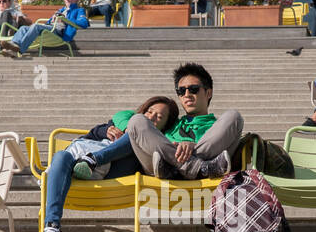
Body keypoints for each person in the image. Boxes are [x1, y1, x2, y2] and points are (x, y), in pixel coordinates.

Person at [38, 95, 179, 232]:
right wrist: (106, 130)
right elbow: (91, 134)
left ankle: (93, 159)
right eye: (150, 112)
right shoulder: (119, 123)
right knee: (60, 155)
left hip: (109, 171)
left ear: (165, 126)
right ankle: (52, 229)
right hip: (74, 161)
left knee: (133, 135)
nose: (151, 117)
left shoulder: (151, 140)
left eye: (159, 117)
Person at [81, 63, 242, 182]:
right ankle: (197, 168)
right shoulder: (170, 123)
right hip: (162, 170)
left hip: (200, 170)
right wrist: (112, 128)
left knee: (234, 115)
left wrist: (192, 146)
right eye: (181, 91)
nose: (187, 94)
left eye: (193, 89)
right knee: (137, 120)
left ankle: (194, 167)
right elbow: (125, 116)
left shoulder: (218, 128)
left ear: (208, 93)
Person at [0, 0, 89, 56]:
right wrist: (54, 18)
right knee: (23, 28)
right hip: (50, 27)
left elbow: (84, 23)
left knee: (35, 26)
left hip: (59, 32)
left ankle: (20, 49)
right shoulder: (61, 10)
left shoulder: (79, 10)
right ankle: (12, 46)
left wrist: (65, 19)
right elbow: (49, 22)